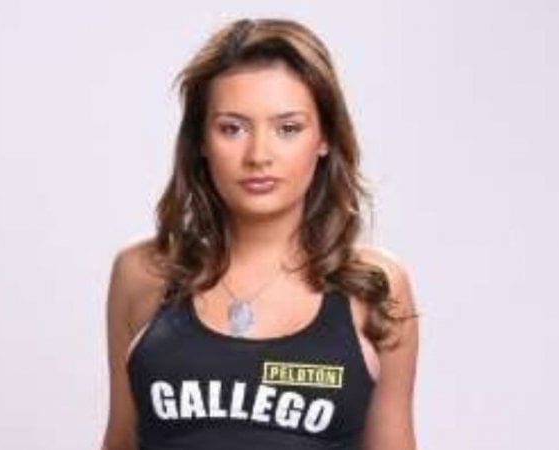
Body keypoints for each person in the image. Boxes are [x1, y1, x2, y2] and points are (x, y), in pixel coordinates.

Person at [100, 17, 420, 450]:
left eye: (288, 128)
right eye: (232, 128)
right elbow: (119, 441)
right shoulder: (142, 274)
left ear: (324, 137)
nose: (258, 155)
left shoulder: (375, 287)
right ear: (201, 140)